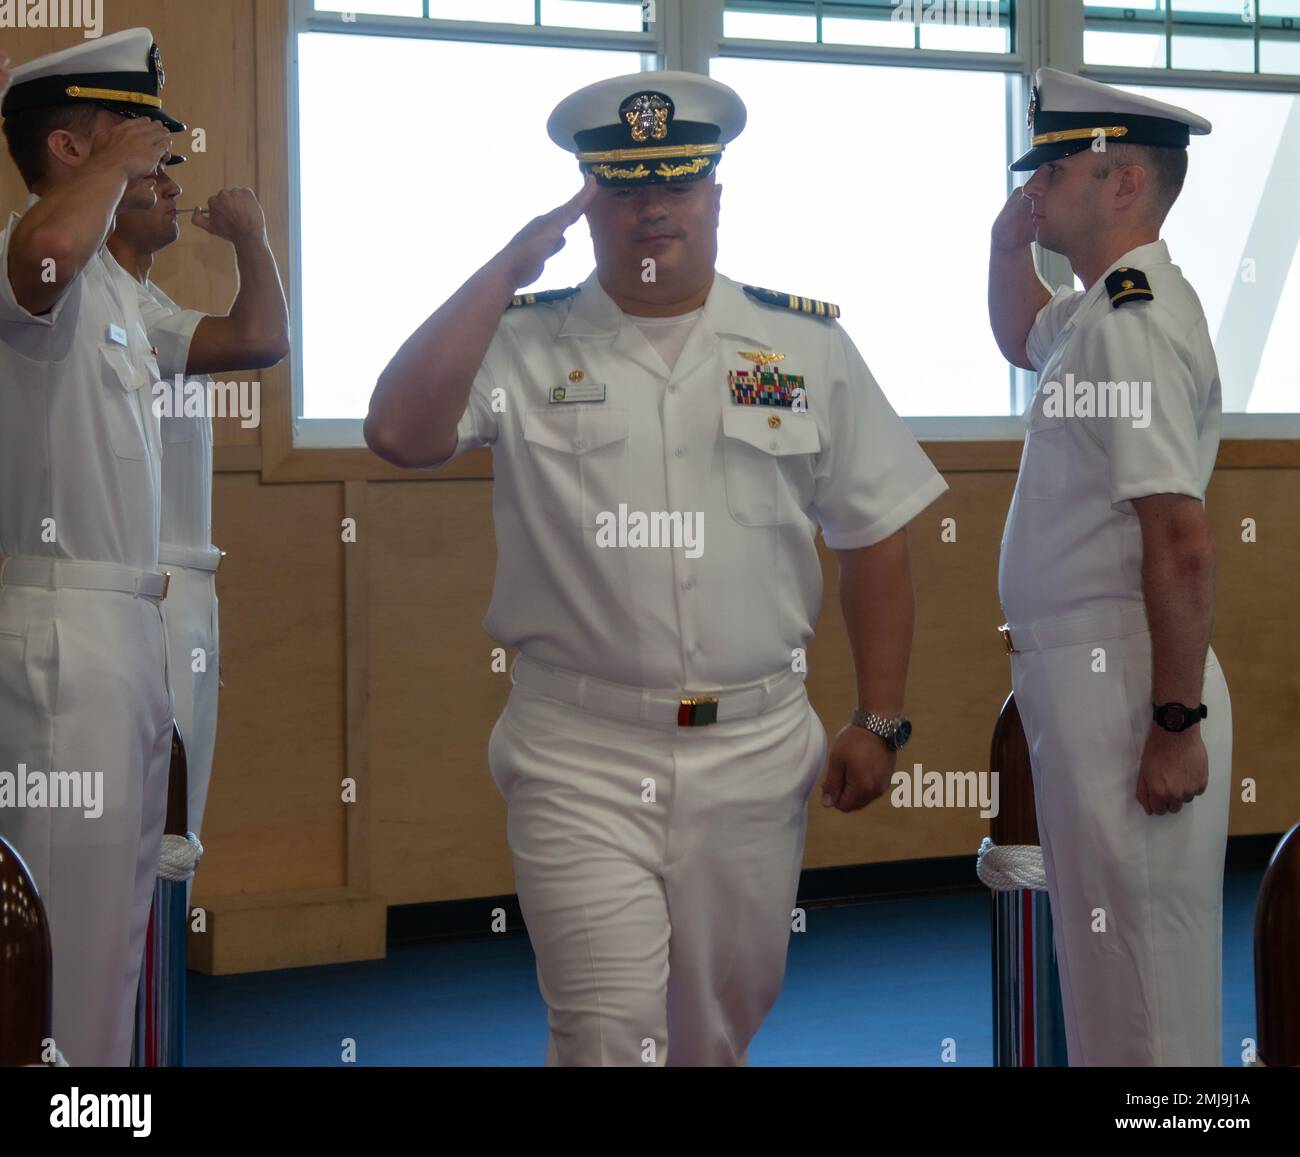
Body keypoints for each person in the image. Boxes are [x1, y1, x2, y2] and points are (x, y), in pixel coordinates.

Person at [366, 70, 948, 1066]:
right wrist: (503, 268)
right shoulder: (520, 342)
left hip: (756, 748)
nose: (652, 211)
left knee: (710, 1033)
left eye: (676, 186)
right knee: (604, 1032)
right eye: (625, 190)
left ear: (714, 198)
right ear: (590, 205)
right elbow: (398, 432)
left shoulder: (800, 344)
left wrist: (879, 715)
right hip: (576, 750)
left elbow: (872, 537)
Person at [988, 67, 1230, 1066]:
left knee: (1144, 997)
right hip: (1084, 676)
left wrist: (1173, 722)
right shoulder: (1095, 315)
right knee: (1108, 984)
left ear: (1124, 185)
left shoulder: (1129, 324)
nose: (1034, 182)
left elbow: (1178, 539)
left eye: (1054, 165)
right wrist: (1008, 239)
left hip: (1126, 681)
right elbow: (1016, 331)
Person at [0, 27, 182, 1066]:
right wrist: (120, 157)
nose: (162, 143)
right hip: (65, 631)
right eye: (138, 122)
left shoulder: (114, 288)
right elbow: (41, 256)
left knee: (113, 928)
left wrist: (121, 153)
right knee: (61, 938)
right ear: (76, 149)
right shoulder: (39, 257)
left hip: (125, 625)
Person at [106, 163, 289, 871]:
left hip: (176, 590)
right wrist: (252, 239)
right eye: (151, 178)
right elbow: (260, 337)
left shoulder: (144, 298)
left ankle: (149, 982)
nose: (173, 190)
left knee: (173, 842)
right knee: (155, 849)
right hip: (139, 594)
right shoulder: (111, 301)